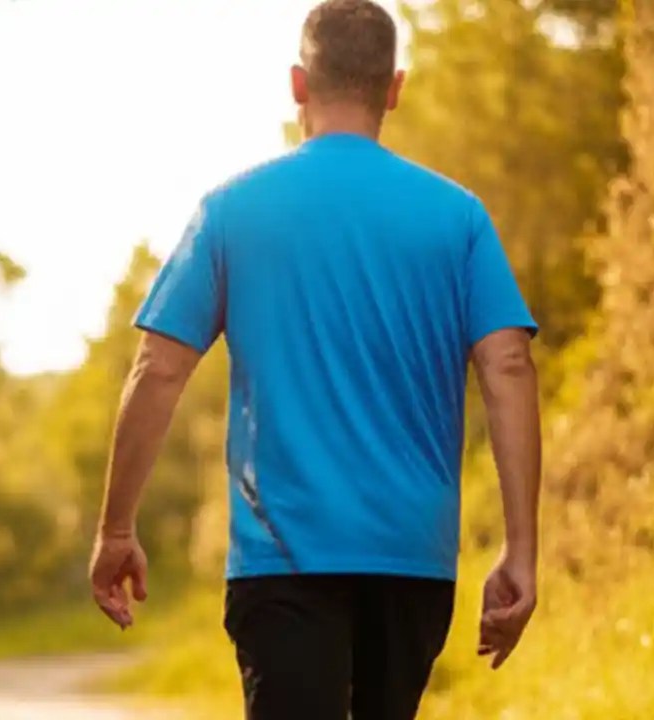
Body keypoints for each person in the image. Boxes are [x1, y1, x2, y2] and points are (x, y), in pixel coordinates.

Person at [88, 1, 541, 717]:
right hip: (412, 560)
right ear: (394, 88)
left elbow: (158, 369)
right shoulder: (458, 216)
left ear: (298, 83)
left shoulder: (231, 211)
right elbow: (509, 365)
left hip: (284, 559)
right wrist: (521, 548)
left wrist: (116, 529)